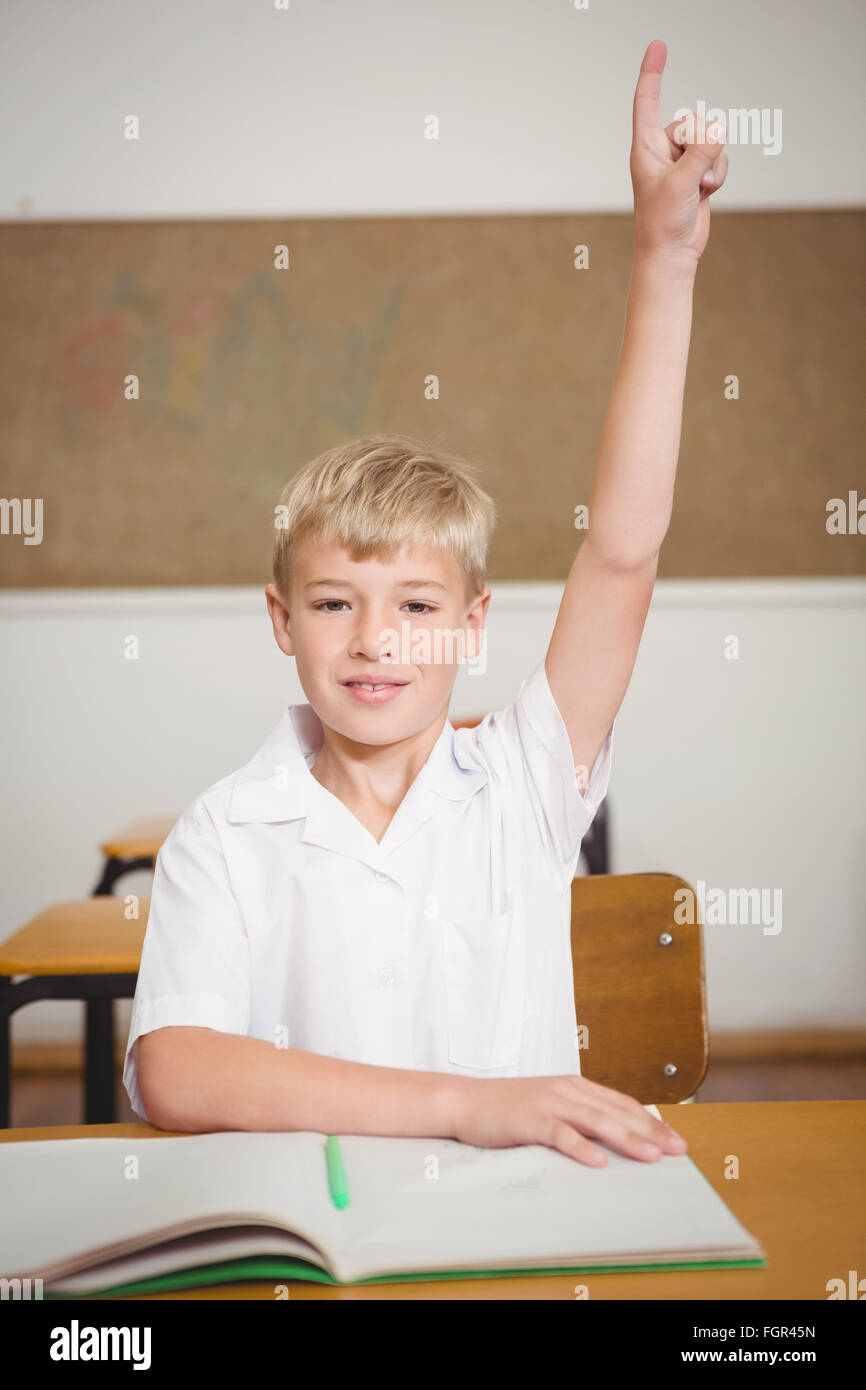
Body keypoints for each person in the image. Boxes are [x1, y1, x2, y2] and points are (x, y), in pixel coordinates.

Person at [125, 39, 727, 1166]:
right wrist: (465, 1103)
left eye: (413, 604)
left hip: (526, 1246)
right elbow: (172, 1068)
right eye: (333, 603)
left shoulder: (522, 781)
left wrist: (663, 259)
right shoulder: (227, 828)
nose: (373, 641)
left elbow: (623, 551)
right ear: (279, 621)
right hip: (325, 1249)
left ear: (473, 621)